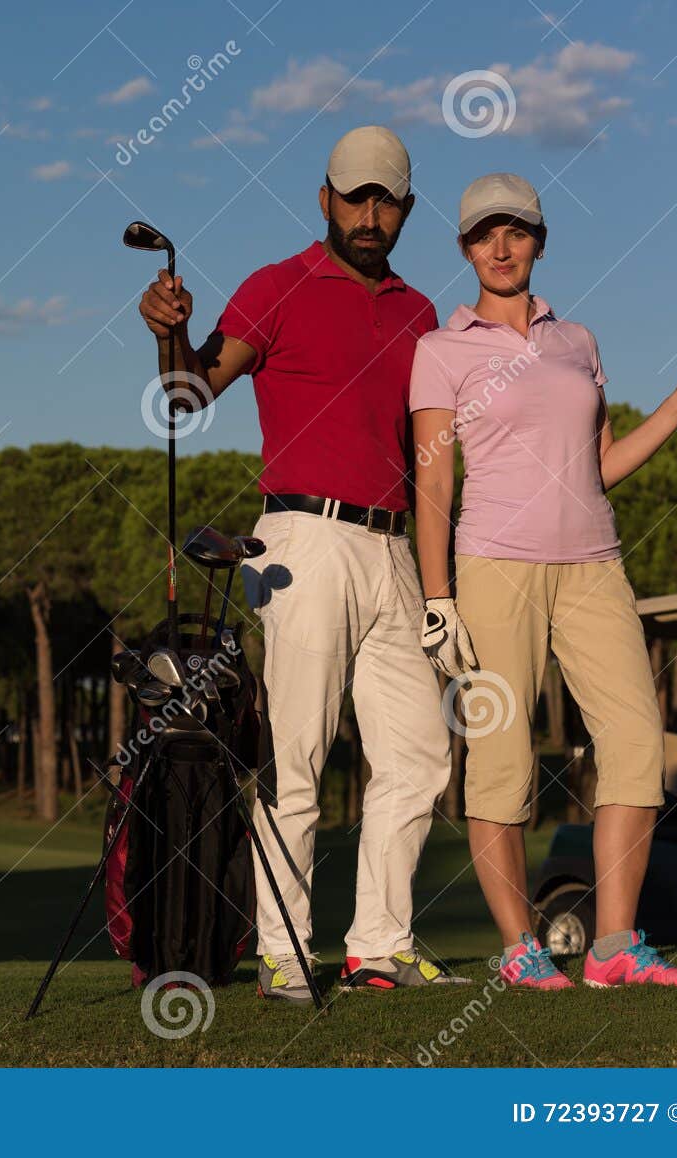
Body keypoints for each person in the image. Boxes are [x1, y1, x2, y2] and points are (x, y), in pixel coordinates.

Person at [138, 126, 469, 1001]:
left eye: (385, 199)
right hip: (302, 540)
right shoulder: (275, 287)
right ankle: (285, 952)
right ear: (324, 198)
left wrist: (444, 579)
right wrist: (168, 336)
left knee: (421, 756)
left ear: (406, 208)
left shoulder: (419, 313)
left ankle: (379, 946)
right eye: (353, 196)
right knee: (297, 755)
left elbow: (428, 448)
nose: (368, 213)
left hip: (393, 546)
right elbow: (189, 393)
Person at [410, 172, 677, 990]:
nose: (501, 247)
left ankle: (615, 945)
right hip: (491, 569)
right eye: (484, 235)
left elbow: (602, 464)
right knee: (502, 758)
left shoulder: (577, 340)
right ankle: (520, 947)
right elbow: (434, 485)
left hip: (594, 565)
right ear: (466, 249)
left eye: (516, 232)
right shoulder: (441, 352)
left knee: (631, 743)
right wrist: (437, 599)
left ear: (539, 241)